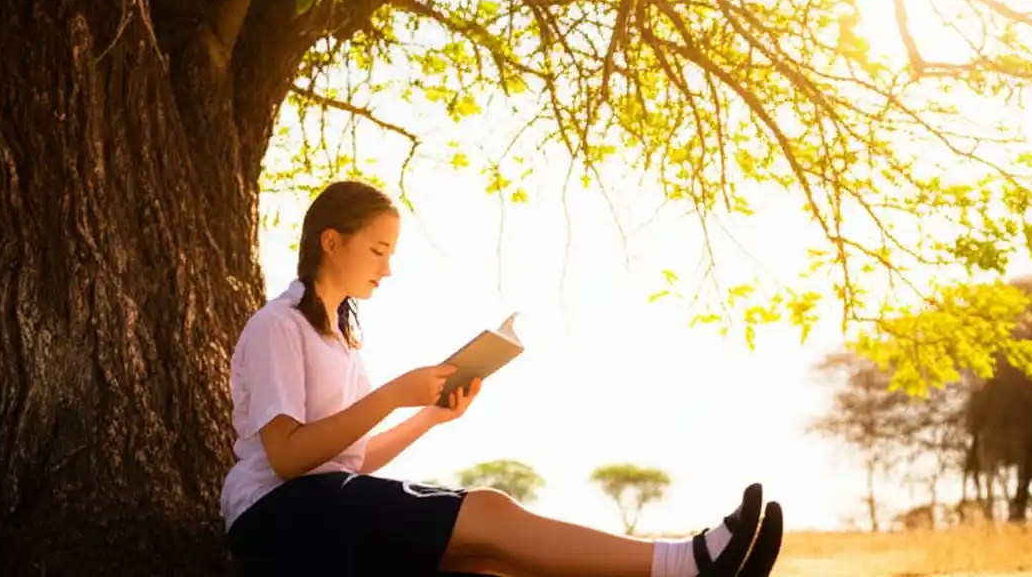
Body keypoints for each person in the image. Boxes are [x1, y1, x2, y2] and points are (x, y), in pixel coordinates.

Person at [221, 180, 784, 576]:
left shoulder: (341, 339)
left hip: (325, 505)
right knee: (487, 510)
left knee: (491, 561)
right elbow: (289, 457)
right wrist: (393, 394)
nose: (387, 267)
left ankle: (682, 571)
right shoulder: (279, 326)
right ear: (331, 241)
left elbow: (347, 461)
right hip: (275, 514)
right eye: (377, 250)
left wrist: (429, 417)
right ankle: (684, 564)